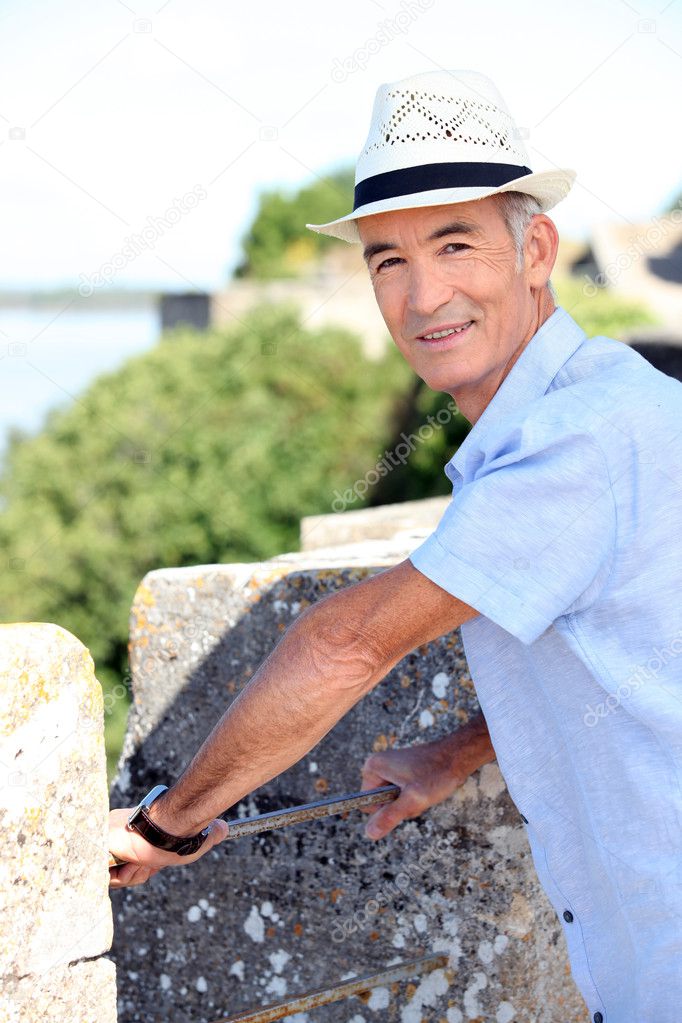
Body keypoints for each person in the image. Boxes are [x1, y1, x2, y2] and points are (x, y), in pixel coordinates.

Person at [109, 70, 682, 1023]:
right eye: (388, 260)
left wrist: (166, 824)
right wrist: (460, 750)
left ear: (536, 249)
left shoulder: (577, 445)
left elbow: (345, 645)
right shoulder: (618, 403)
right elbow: (626, 651)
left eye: (455, 244)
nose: (423, 296)